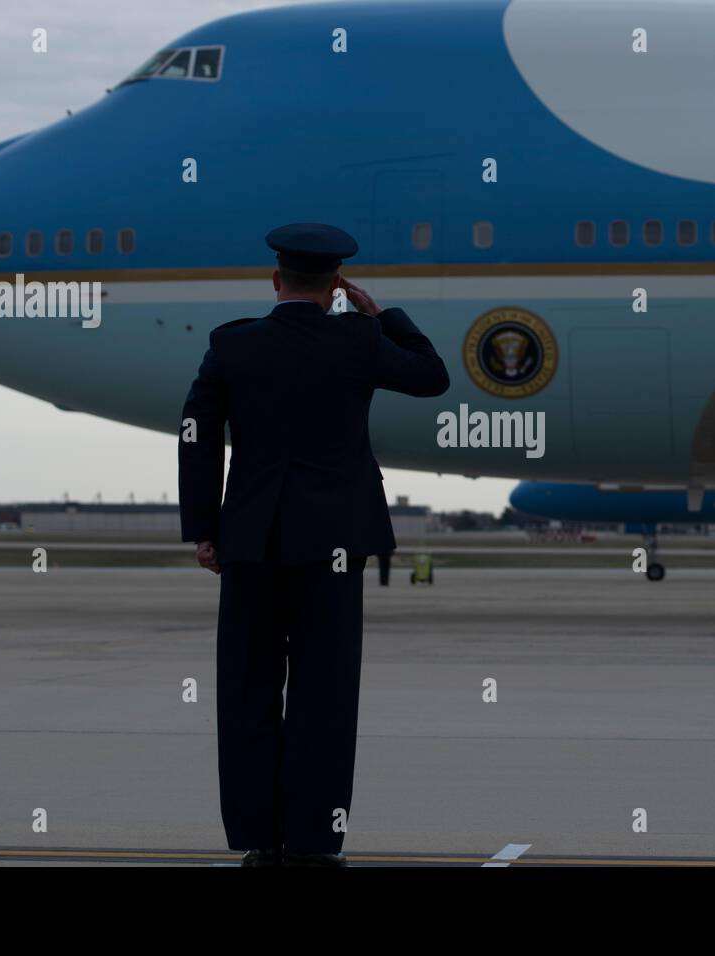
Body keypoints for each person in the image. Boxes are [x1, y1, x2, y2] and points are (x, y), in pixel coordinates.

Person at [177, 223, 449, 866]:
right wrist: (384, 317)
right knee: (325, 695)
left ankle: (258, 838)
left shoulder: (232, 345)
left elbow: (197, 434)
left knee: (247, 692)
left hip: (253, 541)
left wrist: (205, 529)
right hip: (333, 542)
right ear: (336, 287)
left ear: (276, 282)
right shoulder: (359, 341)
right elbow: (433, 377)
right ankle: (314, 841)